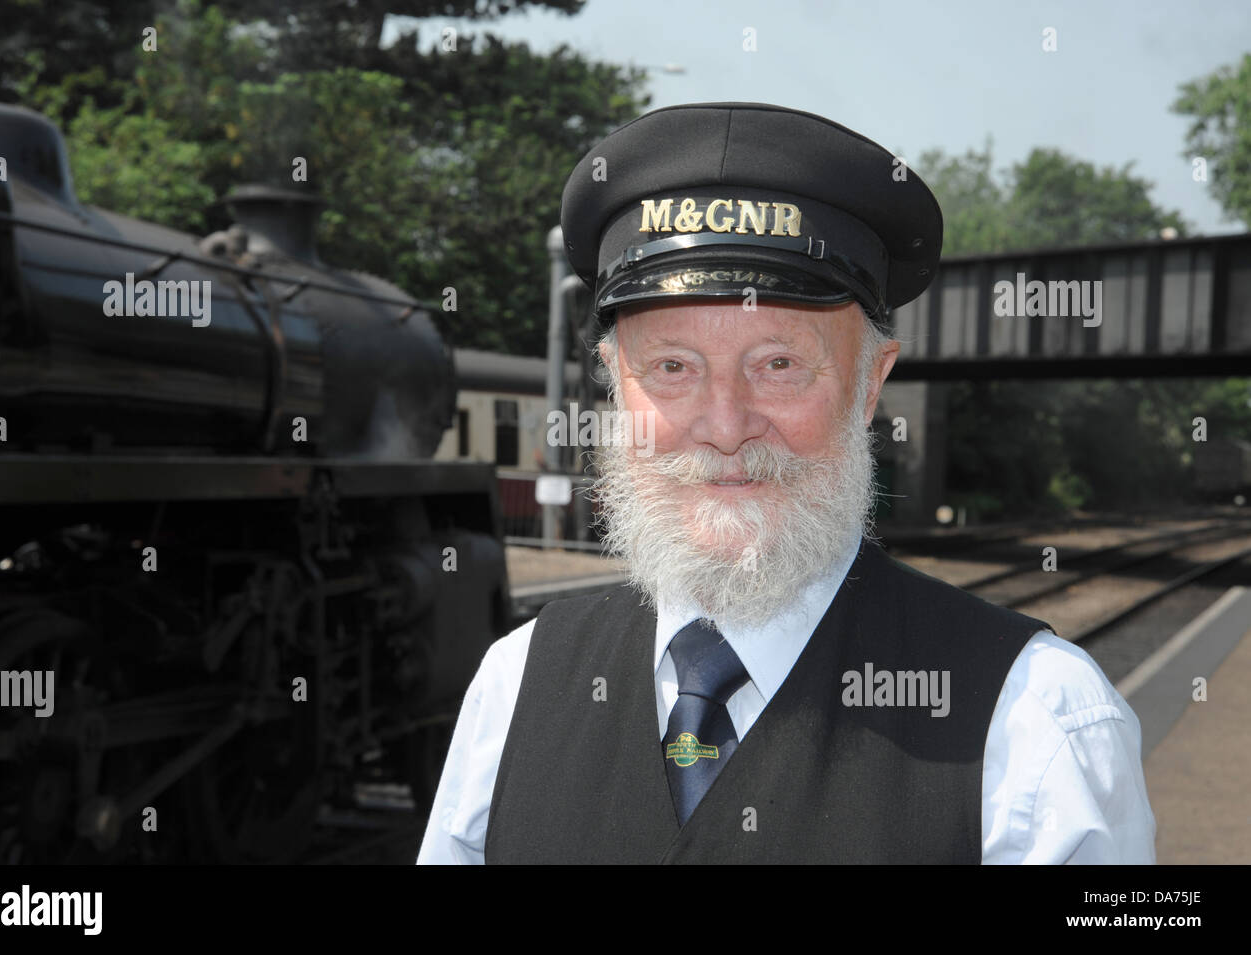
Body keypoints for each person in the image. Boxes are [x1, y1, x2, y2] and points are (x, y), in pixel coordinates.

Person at [417, 102, 1155, 864]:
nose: (726, 425)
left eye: (779, 364)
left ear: (871, 384)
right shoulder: (512, 688)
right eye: (672, 367)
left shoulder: (1040, 724)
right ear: (614, 385)